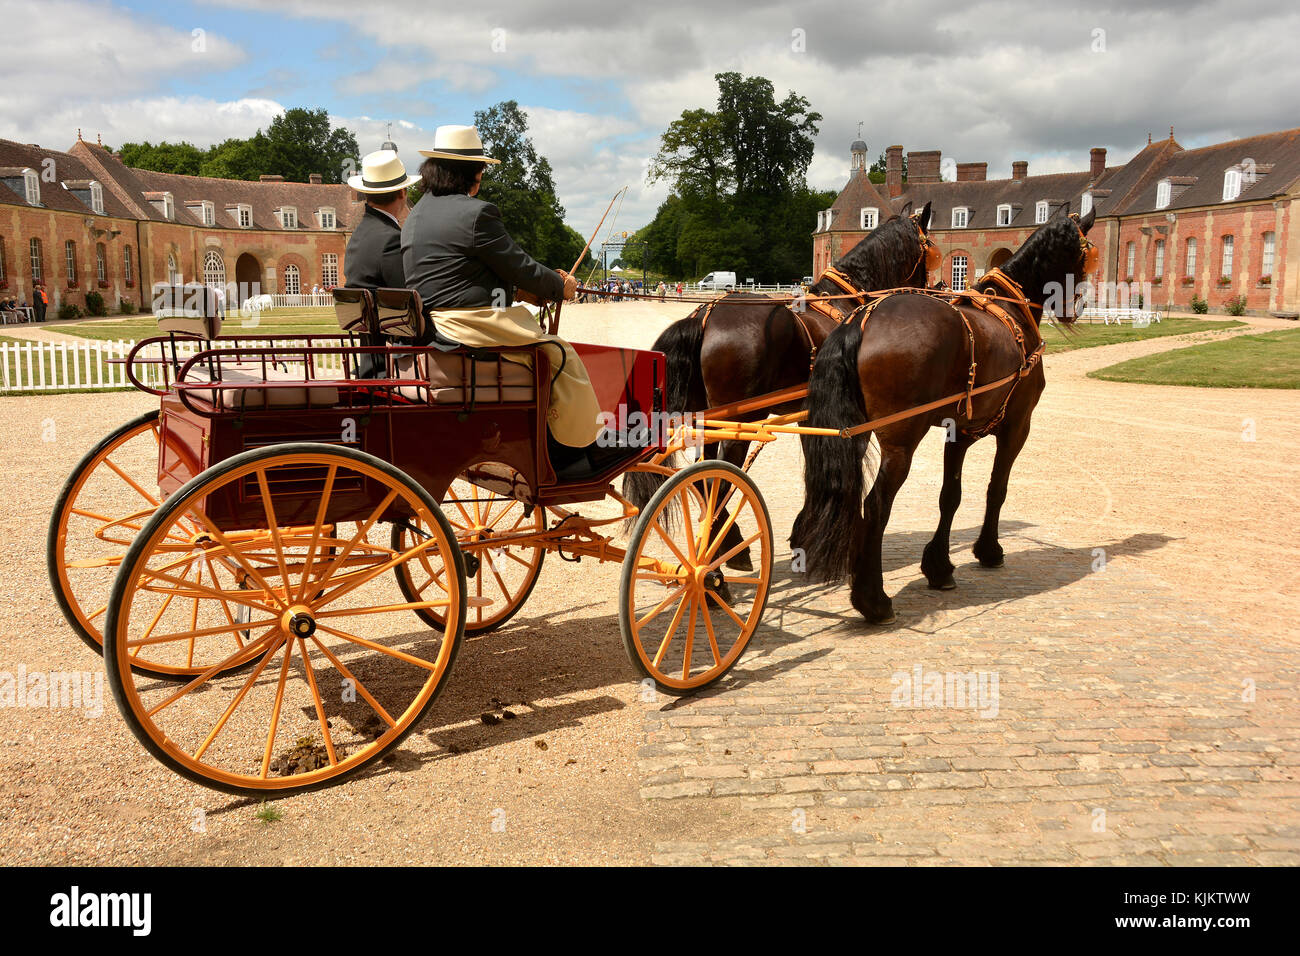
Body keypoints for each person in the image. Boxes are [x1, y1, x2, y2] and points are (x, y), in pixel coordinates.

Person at [401, 124, 604, 464]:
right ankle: (573, 449)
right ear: (472, 175)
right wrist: (561, 287)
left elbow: (463, 272)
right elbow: (519, 265)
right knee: (559, 354)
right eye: (480, 170)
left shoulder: (417, 213)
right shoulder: (476, 213)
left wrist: (524, 289)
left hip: (432, 324)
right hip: (466, 325)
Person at [344, 149, 421, 376]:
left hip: (370, 358)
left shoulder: (359, 234)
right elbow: (407, 299)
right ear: (402, 193)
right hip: (388, 365)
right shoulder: (390, 238)